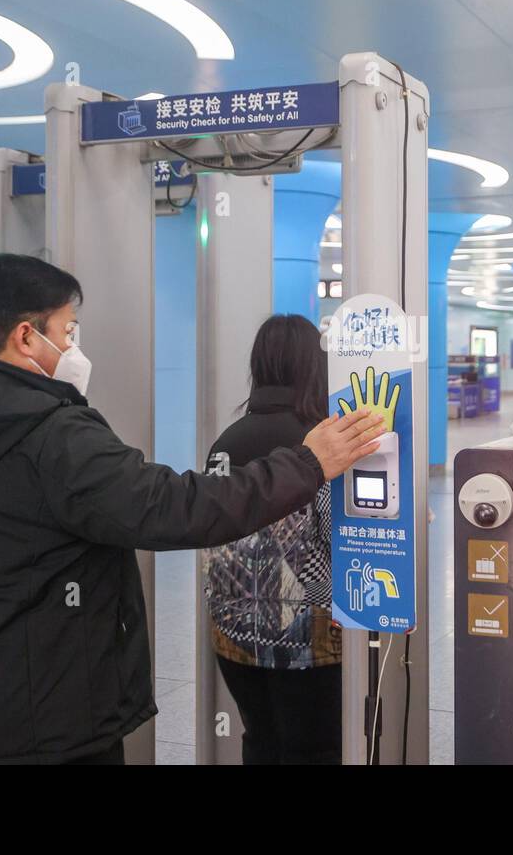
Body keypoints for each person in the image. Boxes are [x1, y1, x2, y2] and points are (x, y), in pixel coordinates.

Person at [0, 254, 382, 764]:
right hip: (49, 725)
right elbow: (176, 507)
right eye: (67, 333)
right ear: (25, 337)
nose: (73, 348)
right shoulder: (55, 437)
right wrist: (309, 463)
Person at [204, 315, 342, 764]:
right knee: (315, 748)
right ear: (315, 367)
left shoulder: (225, 442)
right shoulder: (318, 443)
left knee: (260, 740)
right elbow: (333, 541)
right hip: (308, 641)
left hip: (233, 634)